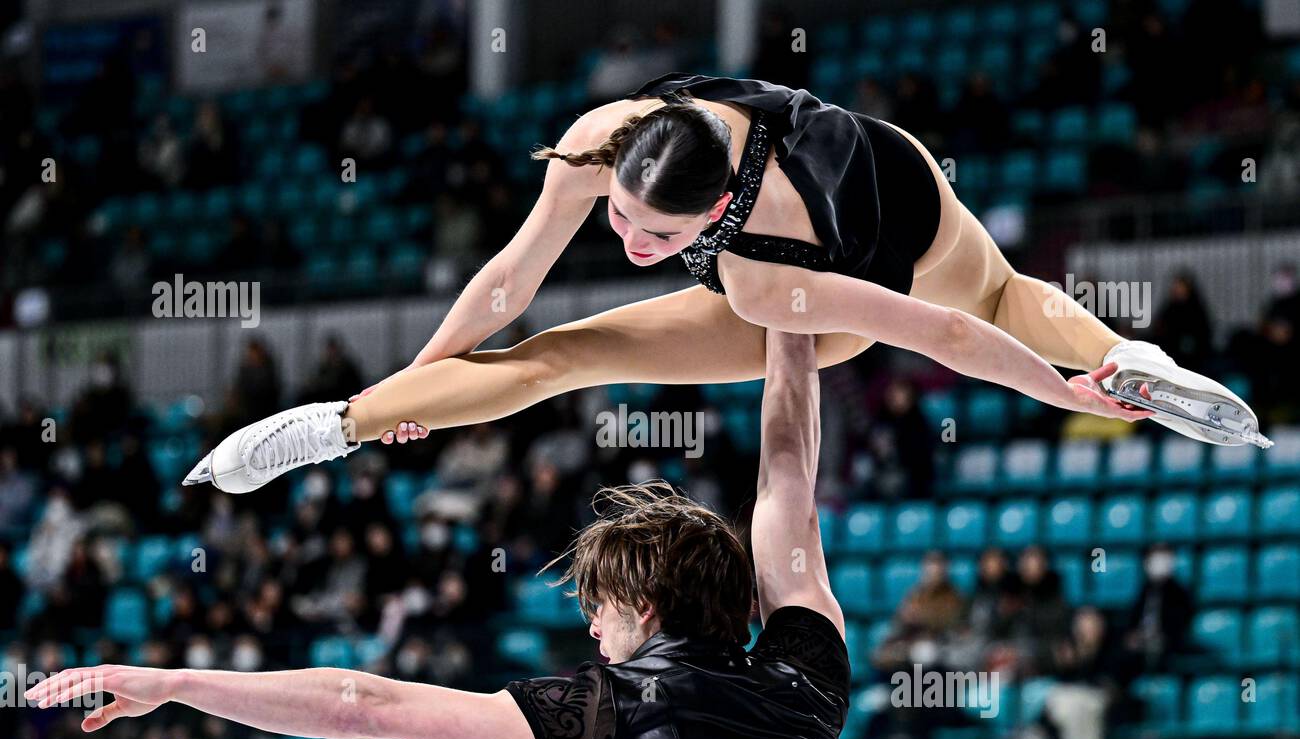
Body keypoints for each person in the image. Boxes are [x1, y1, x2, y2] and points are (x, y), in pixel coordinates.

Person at [182, 72, 1267, 493]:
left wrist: (1058, 393)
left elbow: (939, 332)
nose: (625, 238)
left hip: (886, 209)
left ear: (708, 217)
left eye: (653, 235)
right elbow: (512, 276)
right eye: (619, 214)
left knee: (993, 293)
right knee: (560, 348)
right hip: (815, 144)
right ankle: (334, 424)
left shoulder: (759, 275)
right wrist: (418, 386)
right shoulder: (604, 140)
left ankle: (1124, 361)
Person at [31, 329, 851, 739]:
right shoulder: (807, 675)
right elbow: (789, 482)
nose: (589, 622)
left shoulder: (602, 708)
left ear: (643, 604)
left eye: (596, 602)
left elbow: (362, 705)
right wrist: (791, 313)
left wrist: (177, 684)